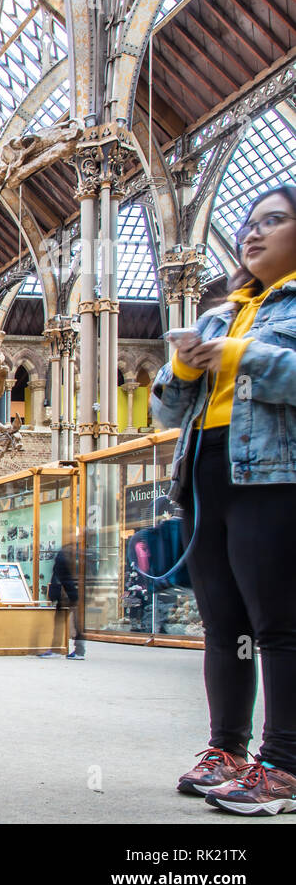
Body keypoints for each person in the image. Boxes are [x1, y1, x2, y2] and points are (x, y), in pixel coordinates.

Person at [151, 184, 296, 815]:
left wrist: (244, 355)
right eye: (247, 223)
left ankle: (286, 766)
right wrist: (185, 367)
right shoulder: (217, 312)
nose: (252, 233)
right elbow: (165, 407)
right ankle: (226, 751)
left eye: (274, 221)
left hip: (273, 480)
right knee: (225, 626)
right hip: (206, 478)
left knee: (279, 626)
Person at [43, 542, 82, 659]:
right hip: (71, 594)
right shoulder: (73, 556)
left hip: (68, 594)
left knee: (72, 623)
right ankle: (77, 650)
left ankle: (61, 649)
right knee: (75, 623)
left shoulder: (63, 556)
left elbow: (60, 577)